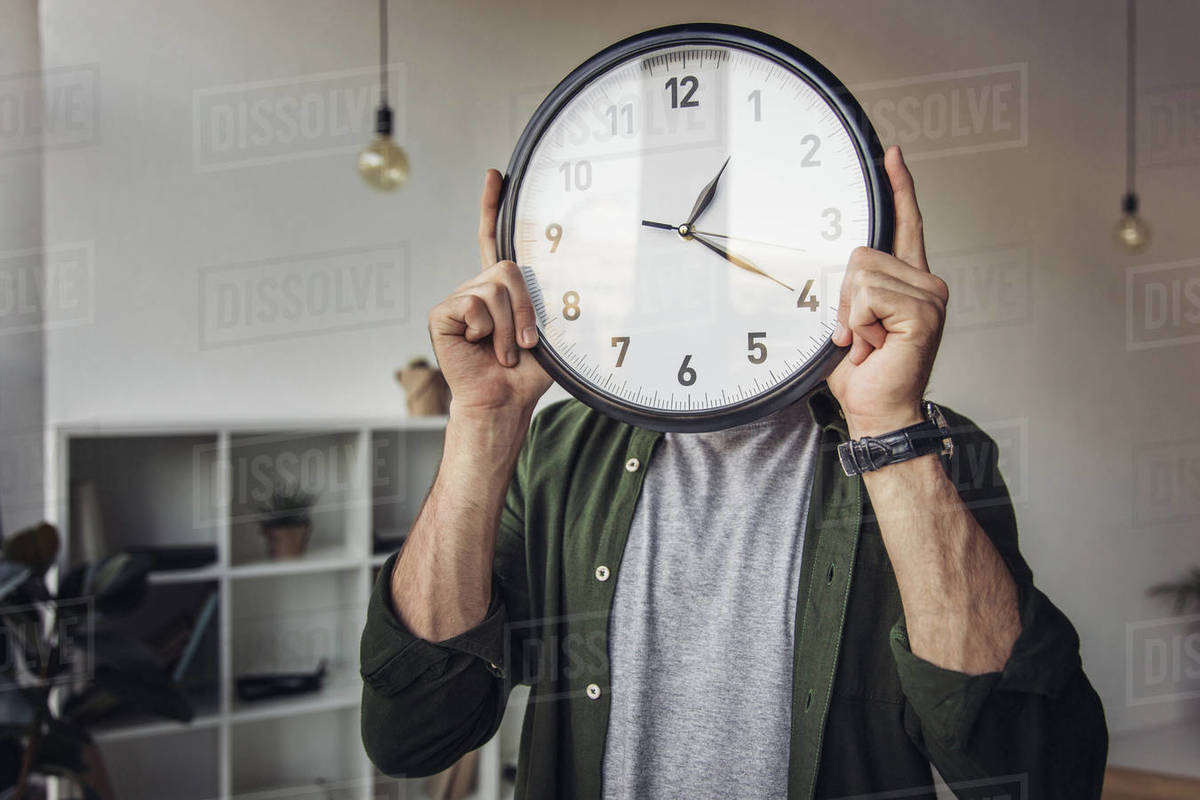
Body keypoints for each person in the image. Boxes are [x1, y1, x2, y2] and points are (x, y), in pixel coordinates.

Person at [359, 146, 1107, 799]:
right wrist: (481, 424)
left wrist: (887, 428)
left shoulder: (928, 450)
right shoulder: (553, 454)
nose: (689, 257)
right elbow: (413, 734)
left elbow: (1040, 775)